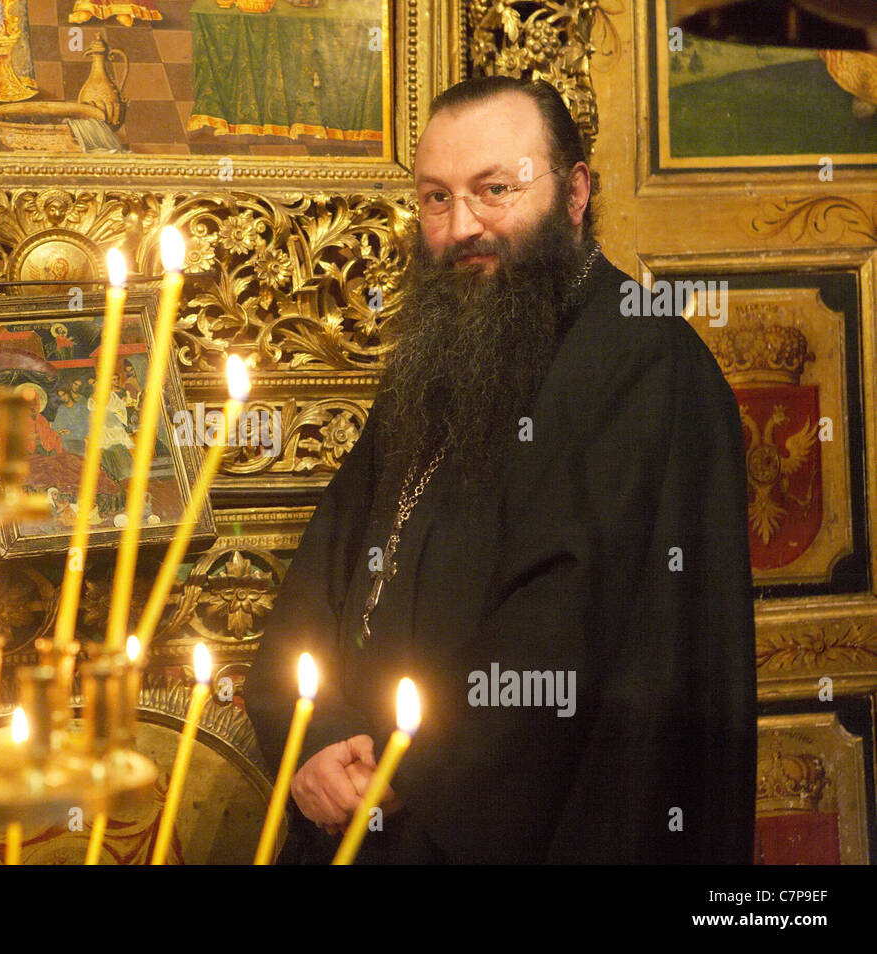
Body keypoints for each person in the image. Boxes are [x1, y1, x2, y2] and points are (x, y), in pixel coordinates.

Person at [244, 76, 756, 864]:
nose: (461, 227)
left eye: (495, 190)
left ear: (575, 193)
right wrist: (315, 733)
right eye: (436, 198)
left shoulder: (647, 366)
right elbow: (327, 565)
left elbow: (564, 639)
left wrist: (403, 763)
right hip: (363, 805)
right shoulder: (441, 351)